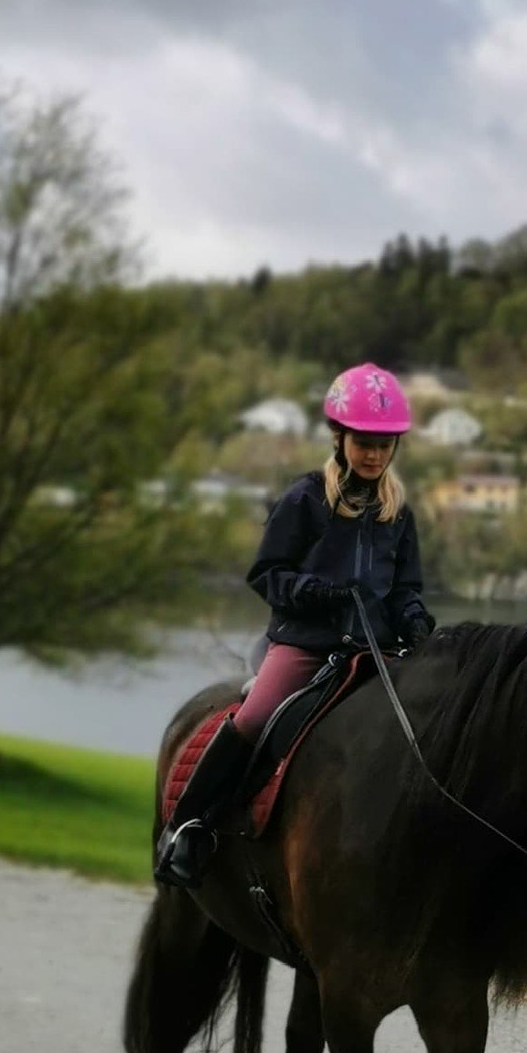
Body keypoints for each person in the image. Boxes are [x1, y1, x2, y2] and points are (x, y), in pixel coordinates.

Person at [154, 362, 433, 889]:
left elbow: (405, 590)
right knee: (255, 718)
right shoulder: (305, 499)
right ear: (339, 436)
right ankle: (190, 825)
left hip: (378, 651)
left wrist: (416, 621)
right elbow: (266, 574)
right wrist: (316, 593)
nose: (373, 454)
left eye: (384, 444)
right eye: (363, 442)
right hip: (307, 645)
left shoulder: (399, 513)